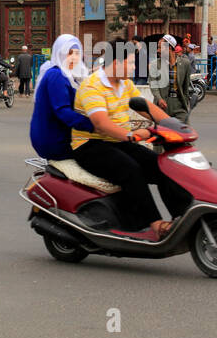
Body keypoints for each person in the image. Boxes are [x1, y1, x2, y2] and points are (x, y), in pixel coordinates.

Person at [71, 48, 185, 239]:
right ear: (116, 63)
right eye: (131, 63)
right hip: (90, 145)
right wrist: (131, 136)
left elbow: (147, 107)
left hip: (118, 141)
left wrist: (176, 127)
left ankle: (182, 215)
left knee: (163, 165)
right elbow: (101, 123)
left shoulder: (124, 83)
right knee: (131, 170)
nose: (134, 68)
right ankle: (156, 224)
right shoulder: (93, 86)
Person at [30, 34, 94, 160]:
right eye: (69, 53)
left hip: (59, 135)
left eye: (77, 53)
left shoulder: (68, 75)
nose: (74, 58)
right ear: (60, 54)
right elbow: (63, 111)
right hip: (53, 140)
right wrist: (94, 125)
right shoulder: (56, 76)